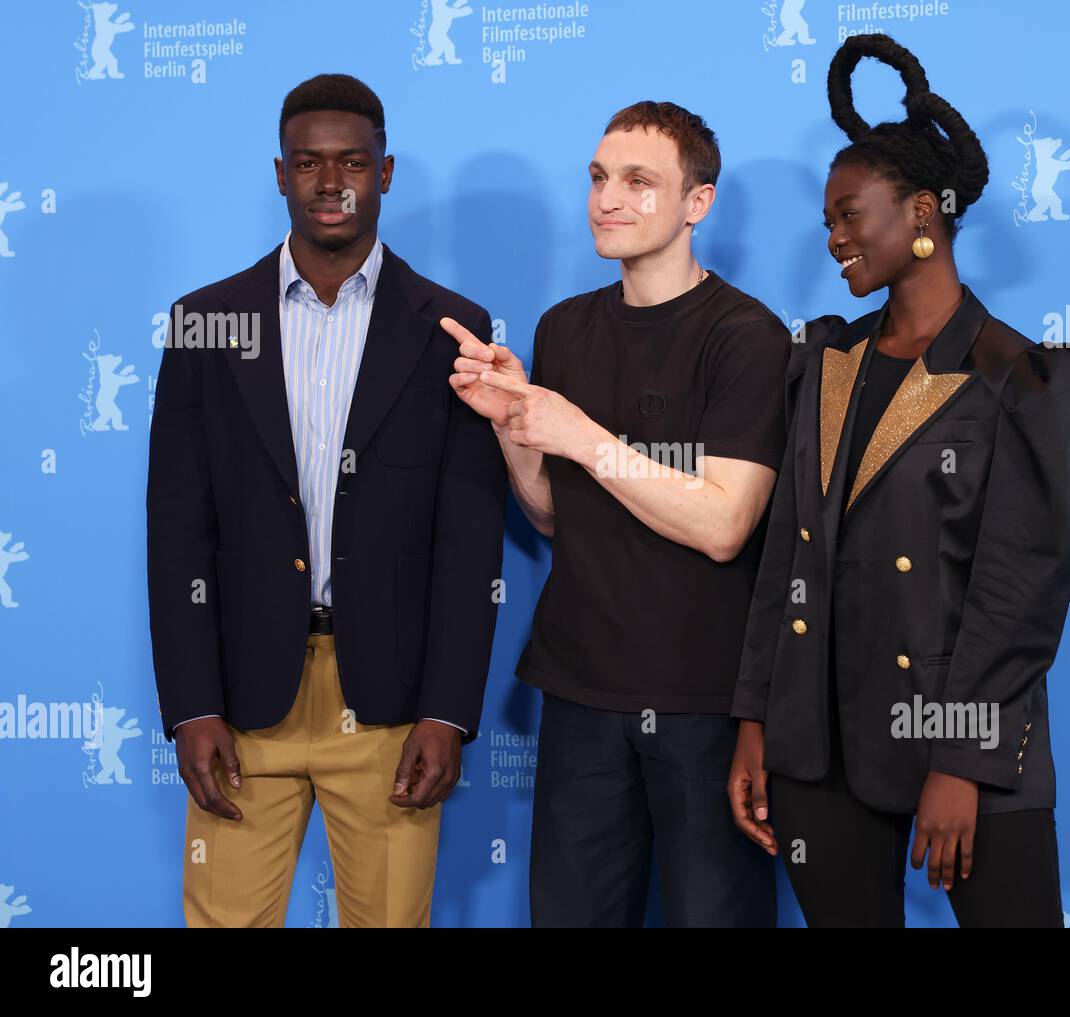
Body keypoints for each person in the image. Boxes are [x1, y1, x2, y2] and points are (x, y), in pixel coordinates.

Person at [728, 34, 1070, 928]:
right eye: (828, 220)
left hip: (965, 750)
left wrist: (962, 759)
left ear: (924, 213)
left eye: (852, 214)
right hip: (820, 749)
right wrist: (757, 721)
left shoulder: (1024, 377)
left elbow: (1021, 588)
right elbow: (787, 554)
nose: (834, 238)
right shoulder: (824, 360)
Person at [147, 73, 505, 927]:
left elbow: (469, 542)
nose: (330, 180)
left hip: (390, 706)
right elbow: (176, 532)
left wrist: (448, 710)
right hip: (240, 704)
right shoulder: (205, 321)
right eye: (308, 162)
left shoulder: (453, 326)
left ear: (387, 171)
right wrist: (192, 704)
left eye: (351, 161)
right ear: (280, 174)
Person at [442, 101, 788, 927]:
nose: (608, 198)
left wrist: (581, 433)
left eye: (639, 181)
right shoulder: (565, 327)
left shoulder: (747, 336)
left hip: (702, 700)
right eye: (599, 178)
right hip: (580, 693)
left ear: (696, 203)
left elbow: (722, 524)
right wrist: (516, 429)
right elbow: (561, 518)